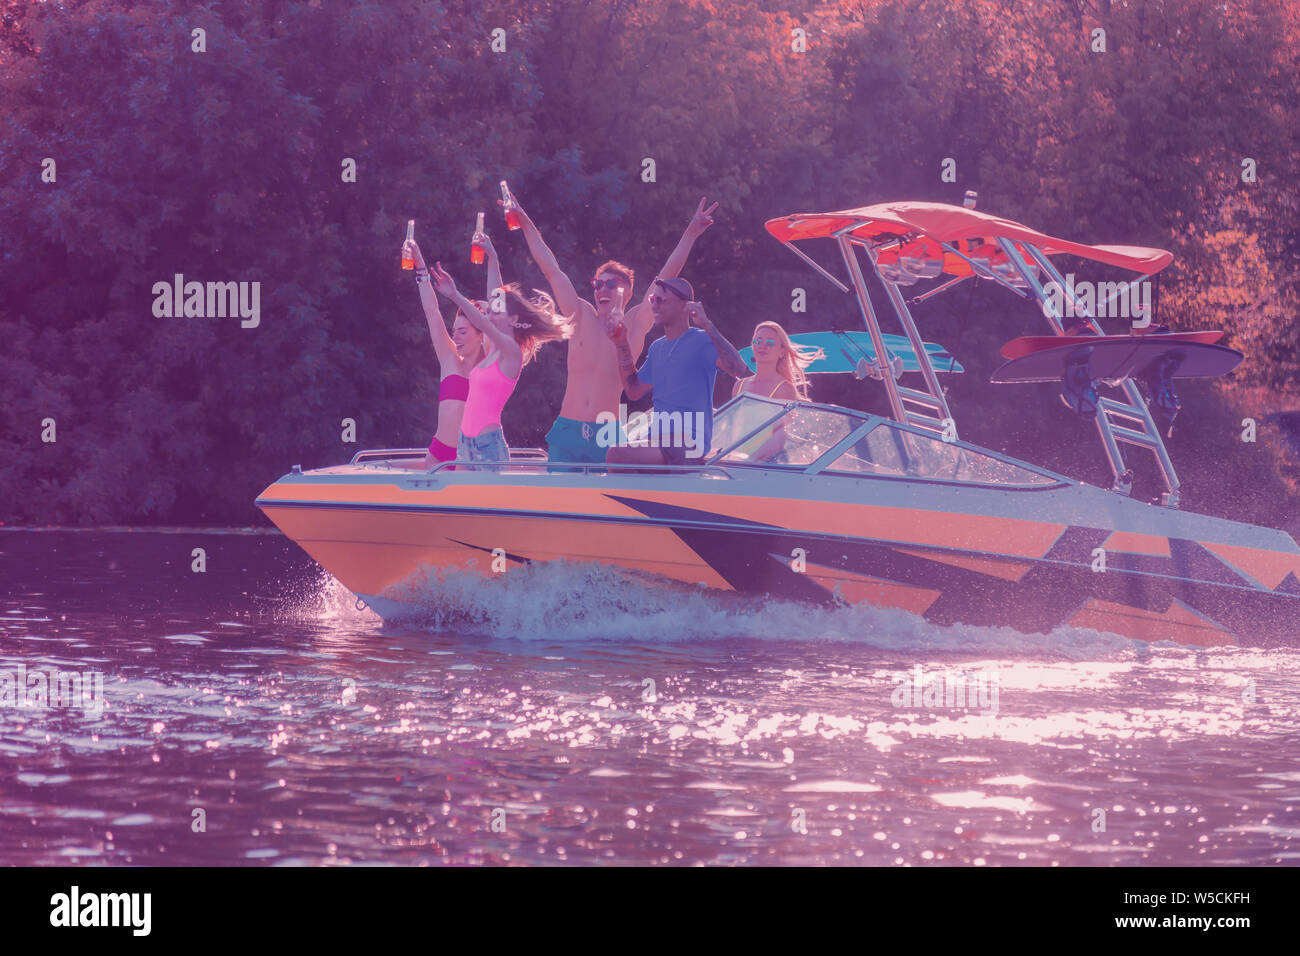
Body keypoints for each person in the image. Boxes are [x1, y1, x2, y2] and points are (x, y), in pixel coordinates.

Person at [506, 193, 718, 464]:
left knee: (601, 502)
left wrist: (691, 233)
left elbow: (666, 275)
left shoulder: (636, 322)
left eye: (611, 284)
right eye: (597, 284)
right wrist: (524, 221)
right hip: (567, 431)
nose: (602, 289)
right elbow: (552, 270)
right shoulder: (580, 314)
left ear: (628, 291)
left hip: (606, 434)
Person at [429, 262, 568, 468]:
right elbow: (496, 295)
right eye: (491, 312)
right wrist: (492, 256)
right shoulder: (494, 348)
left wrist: (455, 295)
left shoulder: (512, 351)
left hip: (487, 446)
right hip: (465, 443)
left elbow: (484, 323)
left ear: (513, 319)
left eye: (497, 313)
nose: (491, 315)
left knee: (484, 501)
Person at [604, 276, 750, 466]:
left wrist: (706, 324)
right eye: (652, 300)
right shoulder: (657, 348)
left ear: (685, 306)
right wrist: (621, 344)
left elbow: (738, 369)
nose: (654, 305)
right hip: (657, 440)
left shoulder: (703, 340)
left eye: (660, 300)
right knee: (616, 455)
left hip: (687, 444)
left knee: (617, 455)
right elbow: (633, 391)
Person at [402, 234, 498, 469]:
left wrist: (493, 259)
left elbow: (496, 317)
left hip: (469, 457)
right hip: (437, 453)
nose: (455, 336)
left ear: (481, 335)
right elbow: (432, 312)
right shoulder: (449, 358)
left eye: (463, 332)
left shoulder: (490, 366)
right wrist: (421, 269)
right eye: (455, 331)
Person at [729, 321, 821, 463]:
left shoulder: (784, 388)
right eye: (758, 341)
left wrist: (752, 461)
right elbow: (732, 430)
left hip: (768, 464)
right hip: (737, 462)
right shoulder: (739, 386)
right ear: (753, 346)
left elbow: (779, 437)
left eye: (770, 342)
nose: (763, 346)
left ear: (782, 352)